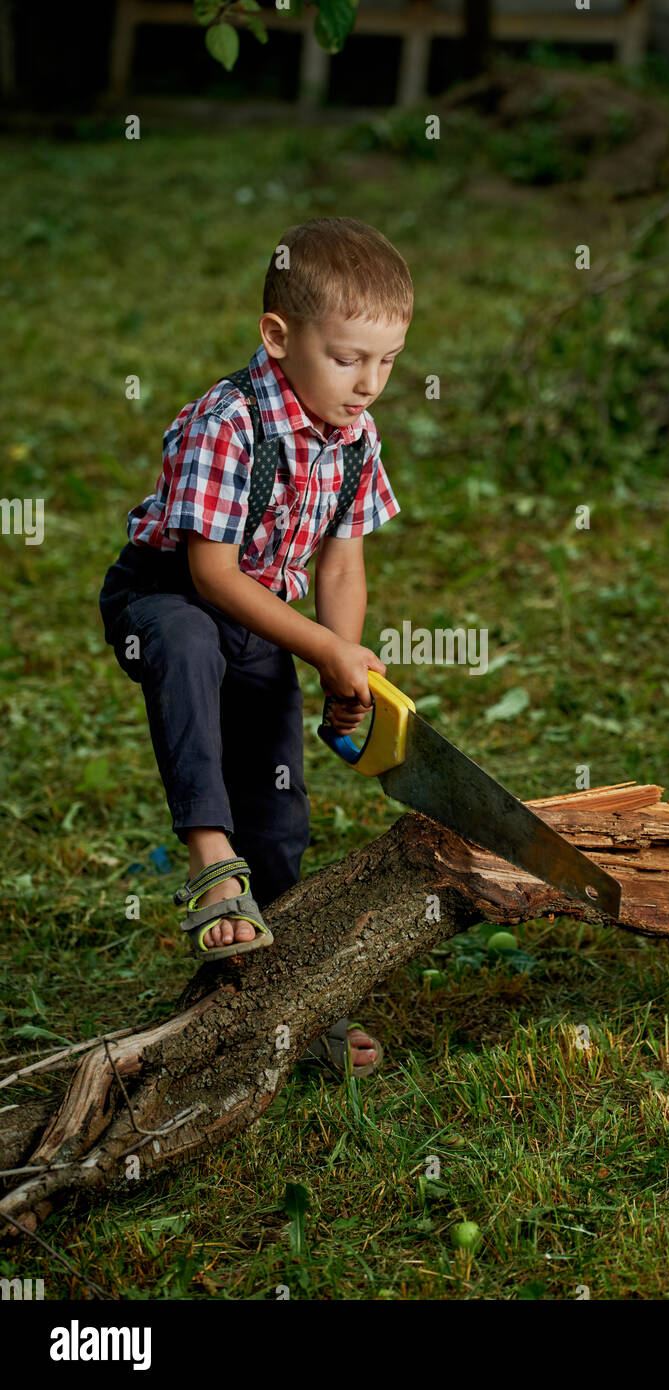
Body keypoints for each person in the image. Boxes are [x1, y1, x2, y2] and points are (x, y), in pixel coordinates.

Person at [98, 217, 412, 1076]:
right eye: (349, 358)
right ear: (278, 337)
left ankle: (273, 992)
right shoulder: (228, 421)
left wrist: (342, 663)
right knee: (192, 644)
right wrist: (320, 647)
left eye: (387, 362)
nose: (370, 383)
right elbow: (212, 576)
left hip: (265, 618)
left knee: (278, 817)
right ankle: (209, 855)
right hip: (169, 597)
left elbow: (342, 562)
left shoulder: (356, 440)